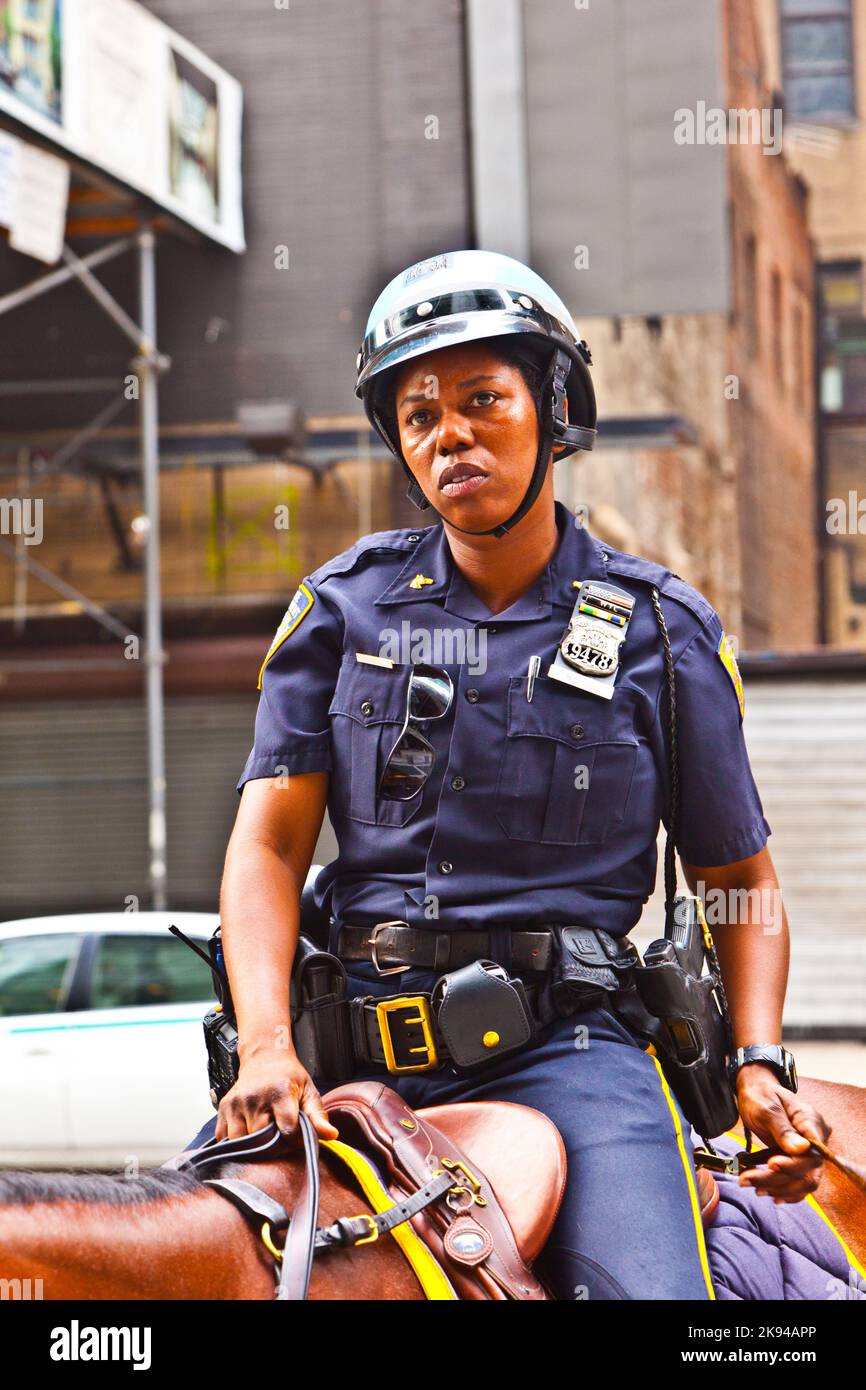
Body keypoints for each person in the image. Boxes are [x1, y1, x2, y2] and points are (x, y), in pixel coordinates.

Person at [185, 250, 828, 1300]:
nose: (449, 433)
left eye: (482, 398)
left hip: (568, 1055)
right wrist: (265, 1045)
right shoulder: (339, 611)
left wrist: (757, 1061)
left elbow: (736, 879)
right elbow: (265, 845)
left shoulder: (661, 631)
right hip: (342, 1052)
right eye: (419, 412)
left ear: (556, 406)